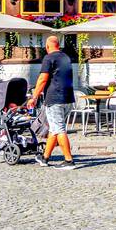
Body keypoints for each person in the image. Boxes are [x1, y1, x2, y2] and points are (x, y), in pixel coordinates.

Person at [27, 35, 78, 169]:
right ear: (58, 45)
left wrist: (34, 97)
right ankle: (45, 158)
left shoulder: (49, 58)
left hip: (55, 99)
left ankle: (69, 161)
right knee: (54, 129)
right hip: (68, 99)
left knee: (59, 129)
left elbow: (43, 79)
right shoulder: (66, 57)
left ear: (47, 46)